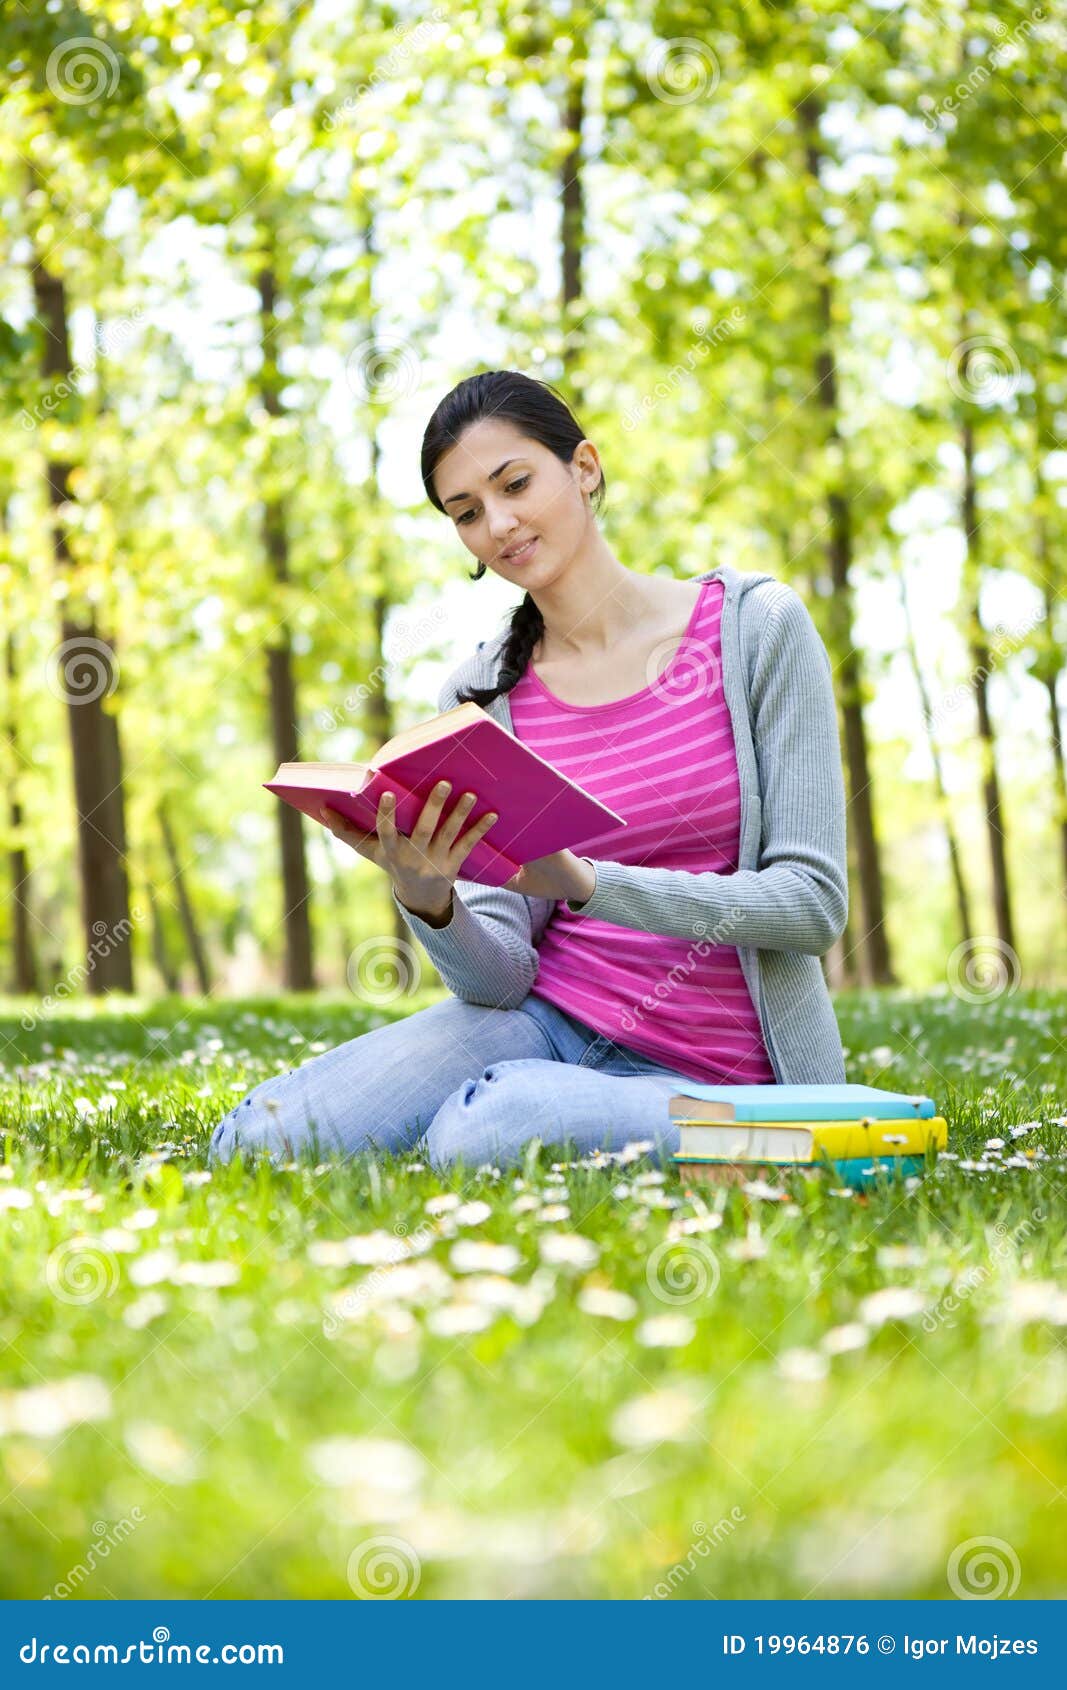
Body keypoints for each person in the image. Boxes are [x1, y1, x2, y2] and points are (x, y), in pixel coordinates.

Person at [208, 369, 848, 1175]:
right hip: (541, 1024)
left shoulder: (755, 630)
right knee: (256, 1141)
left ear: (582, 468)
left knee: (486, 1129)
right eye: (466, 513)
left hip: (721, 1073)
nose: (499, 525)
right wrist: (427, 897)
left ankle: (765, 1140)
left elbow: (812, 905)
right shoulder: (484, 699)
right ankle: (530, 1101)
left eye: (515, 483)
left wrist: (586, 882)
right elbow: (501, 980)